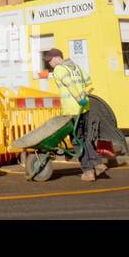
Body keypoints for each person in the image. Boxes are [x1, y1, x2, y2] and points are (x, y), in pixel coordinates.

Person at [44, 48, 104, 182]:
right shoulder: (76, 67)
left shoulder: (59, 69)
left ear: (57, 57)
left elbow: (70, 85)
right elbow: (88, 82)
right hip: (84, 108)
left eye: (50, 60)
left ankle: (88, 172)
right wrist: (83, 96)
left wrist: (78, 98)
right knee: (84, 138)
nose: (49, 63)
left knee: (77, 141)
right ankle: (98, 164)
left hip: (72, 109)